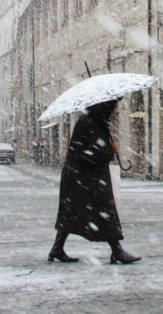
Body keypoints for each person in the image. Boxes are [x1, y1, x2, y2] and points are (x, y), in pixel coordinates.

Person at [48, 99, 141, 265]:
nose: (113, 111)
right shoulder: (89, 124)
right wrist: (108, 151)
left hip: (83, 178)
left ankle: (57, 248)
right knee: (104, 210)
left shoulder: (94, 121)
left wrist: (107, 148)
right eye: (111, 107)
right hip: (84, 179)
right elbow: (88, 154)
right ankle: (117, 250)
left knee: (72, 212)